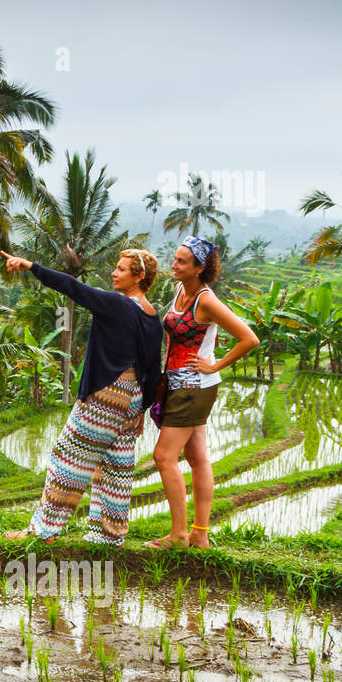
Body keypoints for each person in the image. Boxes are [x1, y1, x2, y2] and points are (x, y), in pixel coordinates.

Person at [0, 247, 164, 546]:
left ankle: (43, 530)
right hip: (134, 399)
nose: (114, 273)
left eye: (121, 269)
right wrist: (141, 412)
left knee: (67, 458)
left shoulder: (118, 303)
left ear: (139, 277)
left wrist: (31, 265)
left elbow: (73, 287)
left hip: (106, 395)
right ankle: (109, 535)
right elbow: (154, 368)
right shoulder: (154, 318)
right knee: (116, 467)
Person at [144, 235, 260, 550]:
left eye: (182, 261)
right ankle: (199, 533)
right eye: (176, 258)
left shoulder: (205, 300)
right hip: (180, 385)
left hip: (193, 387)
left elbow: (248, 338)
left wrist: (215, 365)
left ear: (199, 268)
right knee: (196, 457)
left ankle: (179, 535)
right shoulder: (181, 289)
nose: (174, 264)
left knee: (163, 456)